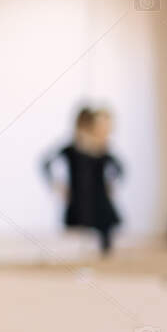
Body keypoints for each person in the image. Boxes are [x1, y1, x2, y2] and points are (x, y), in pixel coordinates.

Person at [42, 104, 123, 255]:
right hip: (80, 199)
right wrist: (57, 185)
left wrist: (111, 183)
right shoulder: (71, 149)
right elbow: (46, 163)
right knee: (81, 231)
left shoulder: (102, 148)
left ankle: (104, 253)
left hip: (99, 200)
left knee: (103, 227)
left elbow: (120, 169)